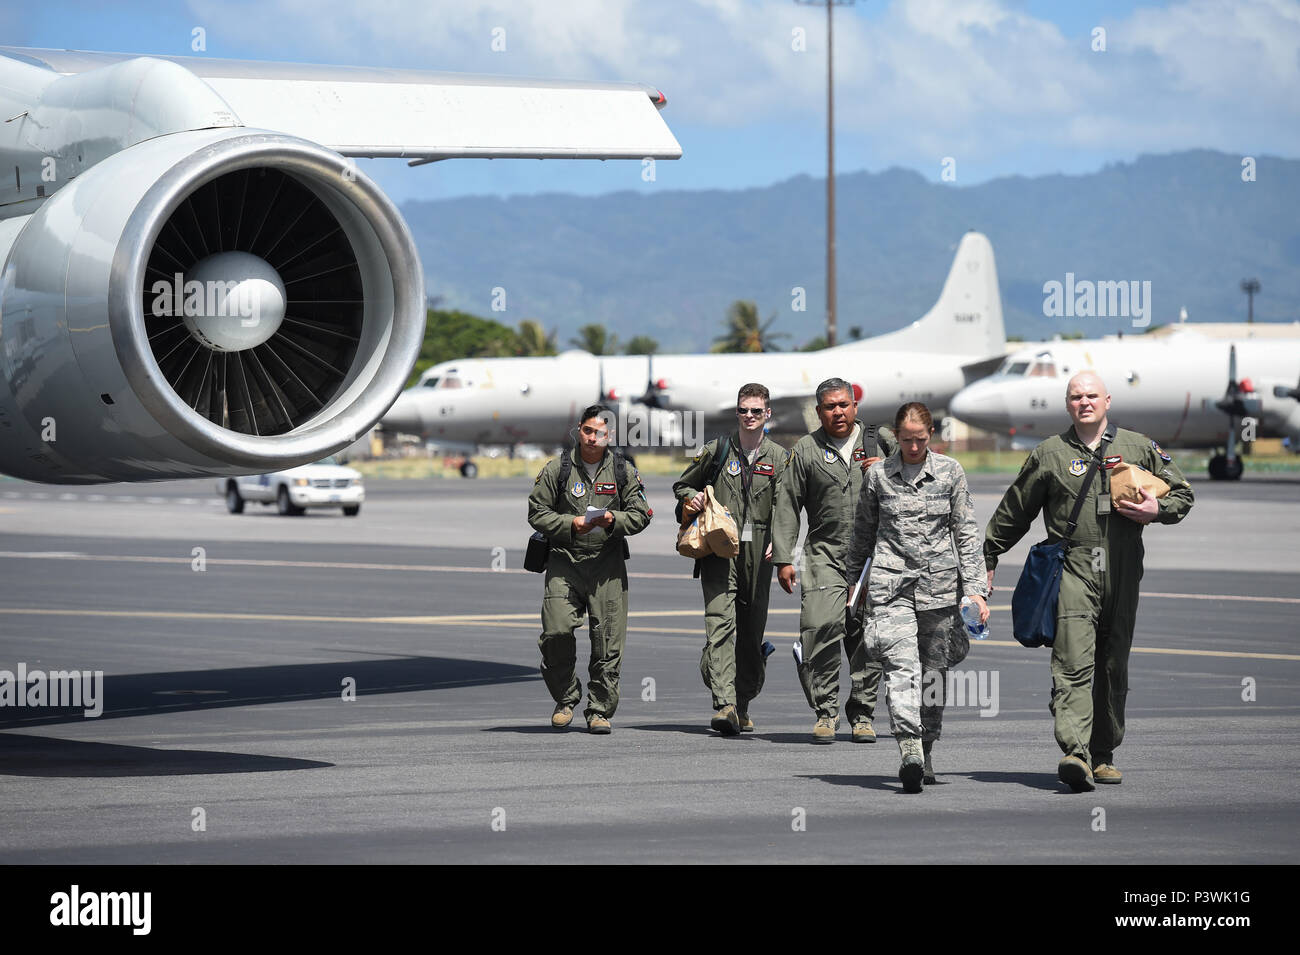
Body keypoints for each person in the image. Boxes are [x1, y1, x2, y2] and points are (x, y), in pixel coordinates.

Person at [984, 371, 1194, 791]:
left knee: (1114, 665)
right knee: (1073, 661)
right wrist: (989, 553)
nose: (1084, 402)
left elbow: (1182, 493)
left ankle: (1104, 754)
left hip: (1122, 568)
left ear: (1107, 401)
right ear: (1067, 405)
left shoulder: (1138, 447)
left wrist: (1158, 510)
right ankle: (1075, 752)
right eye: (1076, 396)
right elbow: (1015, 509)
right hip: (1075, 569)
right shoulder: (1050, 454)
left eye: (1091, 395)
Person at [845, 402, 988, 791]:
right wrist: (853, 584)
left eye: (920, 439)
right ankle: (908, 747)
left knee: (933, 674)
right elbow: (863, 532)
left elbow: (966, 534)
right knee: (900, 667)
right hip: (891, 587)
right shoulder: (878, 475)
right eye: (906, 439)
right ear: (897, 435)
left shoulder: (949, 472)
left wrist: (975, 591)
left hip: (939, 591)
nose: (912, 446)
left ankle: (926, 751)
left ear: (931, 436)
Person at [771, 378, 895, 743]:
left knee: (867, 638)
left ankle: (862, 714)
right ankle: (826, 711)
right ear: (819, 410)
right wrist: (784, 559)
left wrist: (888, 468)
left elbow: (919, 470)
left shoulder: (880, 440)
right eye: (829, 406)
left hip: (874, 556)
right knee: (820, 627)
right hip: (824, 554)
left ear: (855, 406)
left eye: (844, 404)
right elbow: (787, 505)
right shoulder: (806, 450)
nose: (837, 412)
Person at [527, 405, 652, 734]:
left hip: (606, 565)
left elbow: (641, 515)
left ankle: (599, 709)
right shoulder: (558, 469)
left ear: (610, 435)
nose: (593, 437)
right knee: (555, 632)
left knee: (607, 642)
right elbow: (536, 512)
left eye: (600, 432)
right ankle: (566, 698)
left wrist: (614, 520)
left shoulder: (623, 471)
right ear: (578, 431)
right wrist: (571, 524)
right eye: (587, 431)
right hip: (564, 561)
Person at [673, 383, 786, 735]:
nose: (749, 416)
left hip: (760, 551)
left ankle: (743, 700)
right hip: (720, 548)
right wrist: (692, 499)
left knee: (751, 635)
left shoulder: (780, 458)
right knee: (720, 623)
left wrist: (781, 545)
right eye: (743, 410)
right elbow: (682, 485)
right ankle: (724, 704)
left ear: (768, 414)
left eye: (756, 410)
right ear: (736, 413)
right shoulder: (717, 450)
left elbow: (788, 506)